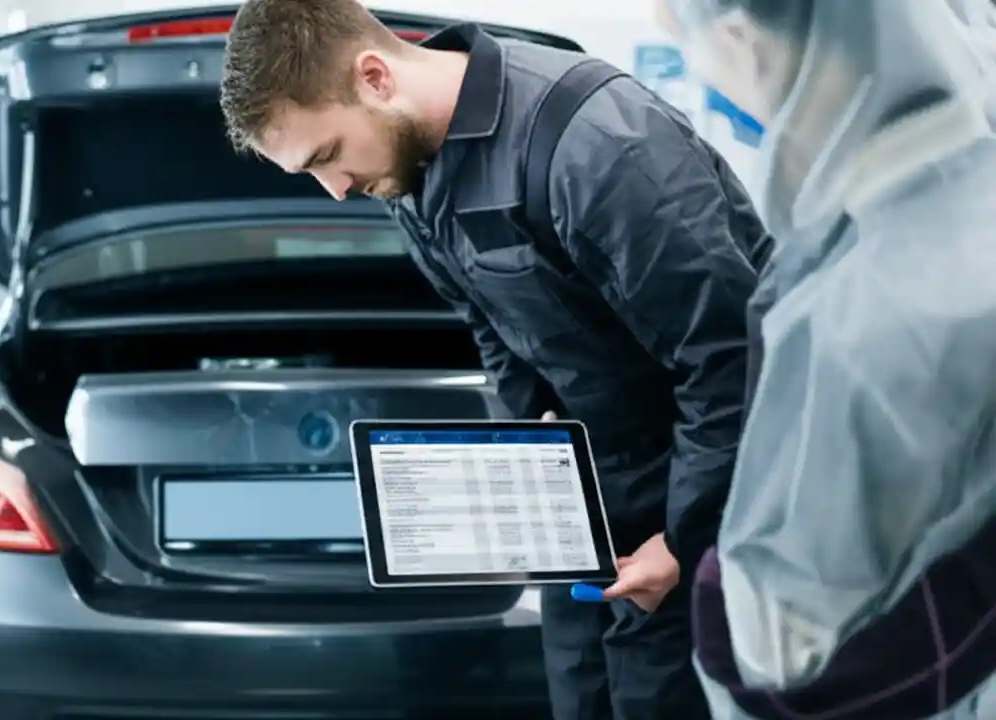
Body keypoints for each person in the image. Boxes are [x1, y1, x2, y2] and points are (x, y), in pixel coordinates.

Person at [219, 1, 772, 717]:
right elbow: (492, 325)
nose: (337, 189)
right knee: (582, 695)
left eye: (327, 155)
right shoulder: (409, 170)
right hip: (590, 515)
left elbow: (733, 356)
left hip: (701, 500)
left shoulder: (597, 146)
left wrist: (688, 539)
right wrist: (529, 452)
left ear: (376, 77)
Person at [654, 1, 996, 717]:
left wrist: (721, 598)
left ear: (741, 39)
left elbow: (785, 645)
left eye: (689, 46)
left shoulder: (876, 306)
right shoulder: (963, 157)